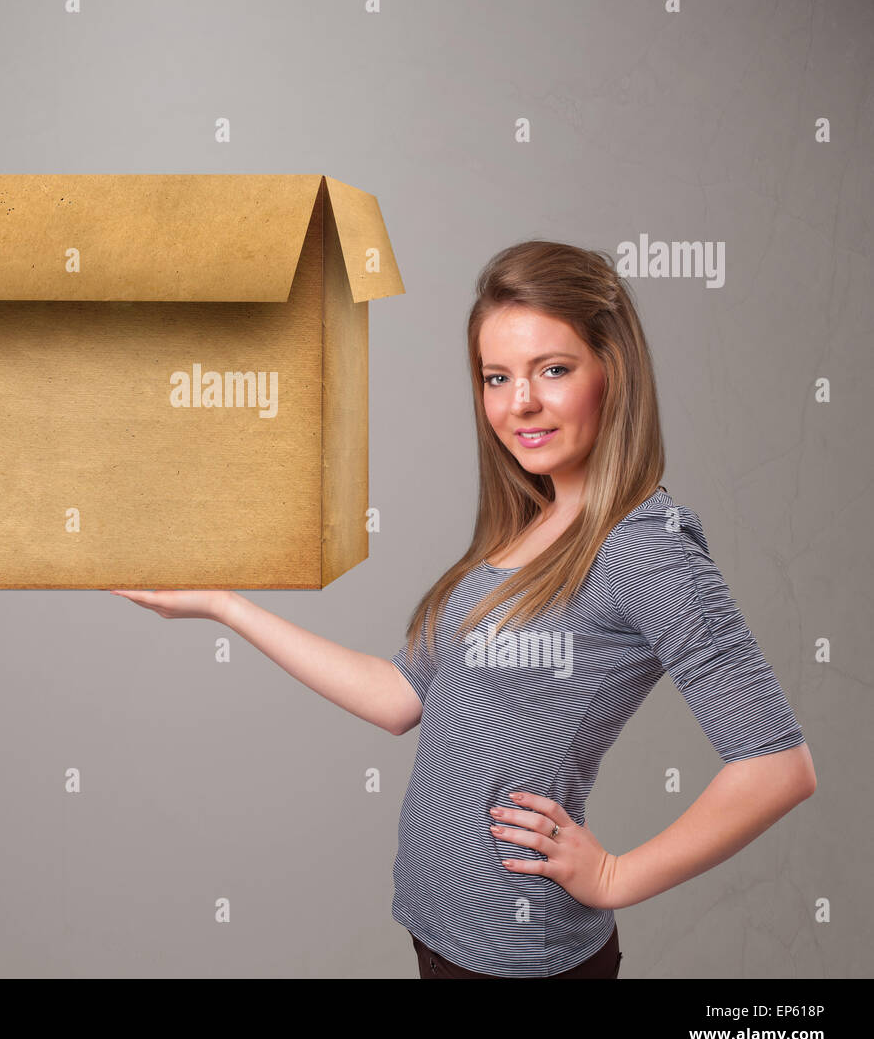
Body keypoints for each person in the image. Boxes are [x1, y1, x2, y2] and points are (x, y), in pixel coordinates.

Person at [112, 239, 816, 978]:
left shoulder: (645, 546)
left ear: (614, 370)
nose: (522, 405)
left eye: (554, 370)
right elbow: (398, 696)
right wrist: (225, 607)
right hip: (439, 927)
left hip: (514, 953)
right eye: (497, 377)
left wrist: (616, 877)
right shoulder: (529, 521)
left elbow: (778, 766)